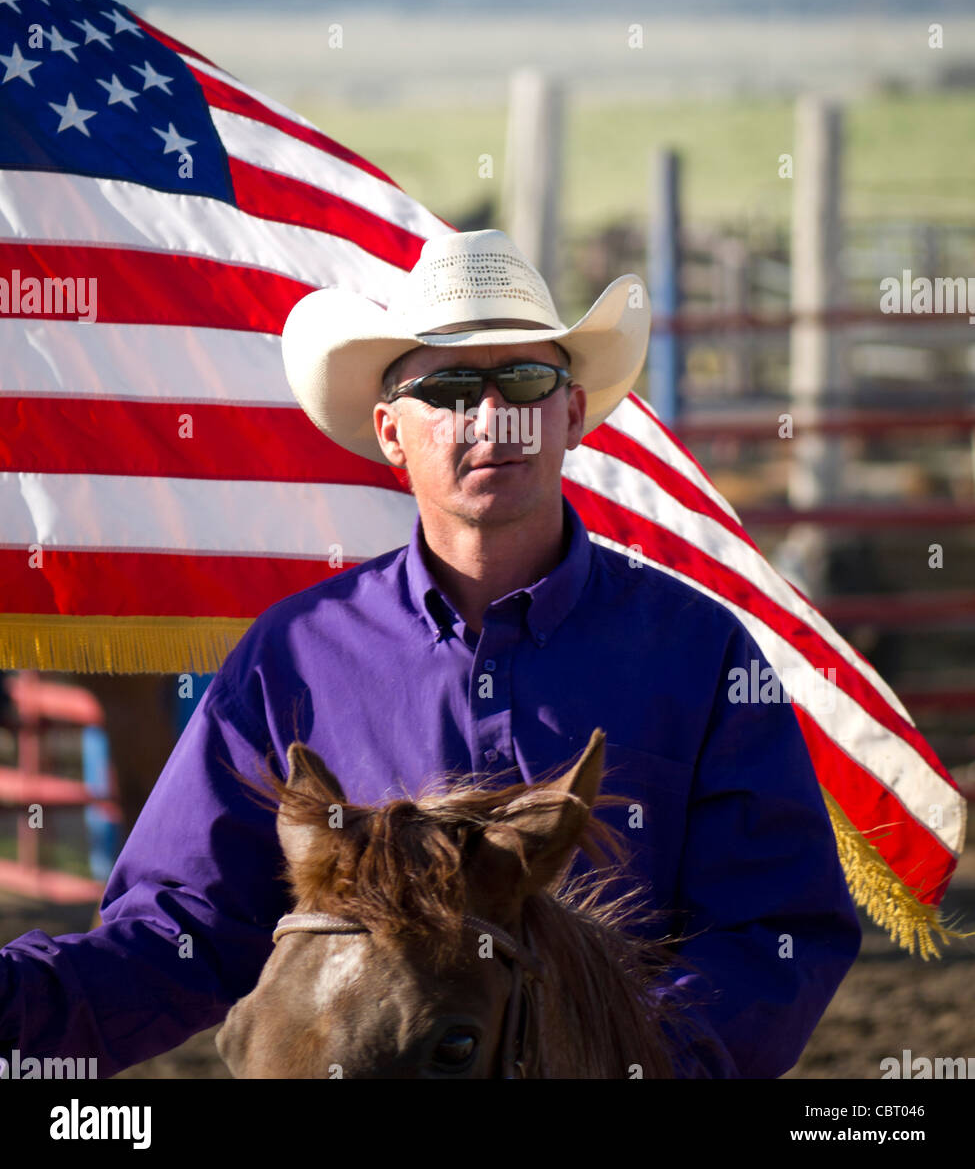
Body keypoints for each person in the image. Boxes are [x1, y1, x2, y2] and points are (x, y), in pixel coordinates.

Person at [0, 229, 861, 1079]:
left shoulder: (697, 651)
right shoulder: (292, 654)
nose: (491, 417)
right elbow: (184, 930)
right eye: (449, 388)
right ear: (390, 431)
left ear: (569, 413)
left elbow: (772, 930)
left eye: (524, 380)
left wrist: (625, 1059)